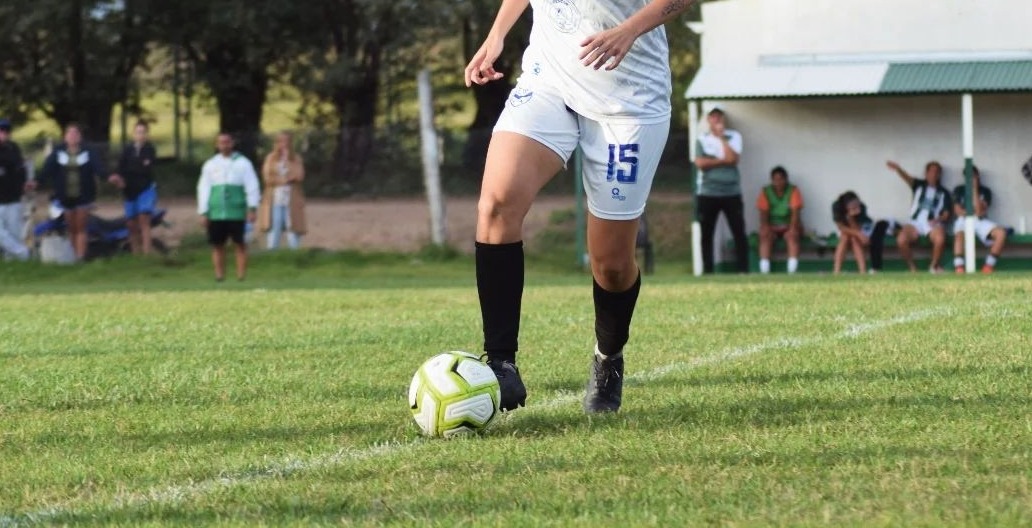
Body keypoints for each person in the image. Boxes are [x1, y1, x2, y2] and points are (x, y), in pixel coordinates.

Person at [464, 0, 692, 413]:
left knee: (611, 263)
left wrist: (628, 29)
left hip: (628, 102)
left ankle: (608, 357)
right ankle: (501, 363)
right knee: (496, 206)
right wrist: (497, 34)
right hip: (549, 82)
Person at [197, 133, 260, 281]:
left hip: (236, 211)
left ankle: (241, 275)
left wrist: (252, 207)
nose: (224, 145)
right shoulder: (210, 164)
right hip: (217, 211)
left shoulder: (243, 163)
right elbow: (204, 188)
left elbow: (252, 186)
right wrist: (203, 211)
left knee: (239, 243)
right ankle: (219, 275)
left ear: (232, 143)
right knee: (217, 244)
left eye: (227, 142)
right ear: (217, 145)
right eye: (221, 143)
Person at [695, 106, 748, 274]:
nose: (716, 120)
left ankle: (743, 269)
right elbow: (700, 164)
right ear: (708, 120)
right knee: (707, 234)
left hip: (732, 192)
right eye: (713, 117)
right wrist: (721, 160)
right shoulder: (702, 140)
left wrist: (722, 140)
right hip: (708, 193)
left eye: (719, 116)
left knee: (738, 231)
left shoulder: (734, 136)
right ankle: (708, 270)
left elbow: (733, 159)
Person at [41, 123, 105, 261]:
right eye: (69, 133)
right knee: (71, 228)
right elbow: (46, 170)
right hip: (66, 197)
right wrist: (35, 181)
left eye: (75, 133)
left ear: (80, 136)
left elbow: (99, 168)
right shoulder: (58, 152)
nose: (72, 136)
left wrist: (108, 176)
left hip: (84, 196)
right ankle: (73, 256)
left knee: (81, 227)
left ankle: (80, 257)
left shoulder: (88, 152)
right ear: (65, 137)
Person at [886, 160, 952, 273]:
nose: (933, 174)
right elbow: (906, 177)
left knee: (940, 238)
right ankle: (913, 268)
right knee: (901, 240)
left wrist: (938, 219)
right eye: (931, 171)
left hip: (933, 223)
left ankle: (933, 266)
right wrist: (898, 169)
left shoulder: (944, 192)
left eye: (936, 172)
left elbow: (946, 215)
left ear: (939, 175)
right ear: (926, 173)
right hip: (914, 222)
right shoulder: (918, 185)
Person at [108, 121, 158, 255]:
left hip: (145, 189)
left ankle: (147, 252)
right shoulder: (127, 150)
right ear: (133, 134)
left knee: (143, 219)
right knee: (131, 223)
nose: (140, 135)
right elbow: (121, 167)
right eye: (137, 132)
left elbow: (145, 169)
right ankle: (136, 252)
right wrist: (119, 179)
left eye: (143, 132)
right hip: (129, 190)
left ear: (147, 134)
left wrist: (131, 171)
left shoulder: (150, 150)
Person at [951, 166, 1006, 274]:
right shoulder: (959, 189)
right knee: (959, 235)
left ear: (978, 176)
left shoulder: (985, 191)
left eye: (973, 176)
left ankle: (988, 266)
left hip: (980, 220)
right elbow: (957, 211)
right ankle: (959, 267)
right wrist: (970, 212)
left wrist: (974, 189)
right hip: (963, 219)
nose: (971, 178)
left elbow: (980, 211)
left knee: (1001, 233)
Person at [258, 131, 306, 250]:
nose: (284, 144)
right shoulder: (271, 158)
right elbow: (268, 178)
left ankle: (294, 252)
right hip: (275, 198)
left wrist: (287, 161)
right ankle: (272, 251)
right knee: (275, 225)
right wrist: (285, 180)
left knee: (292, 226)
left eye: (287, 141)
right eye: (281, 141)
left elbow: (299, 175)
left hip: (291, 198)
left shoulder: (295, 158)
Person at [831, 191, 893, 274]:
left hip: (858, 228)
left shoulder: (862, 207)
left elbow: (858, 229)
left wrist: (851, 219)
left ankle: (862, 270)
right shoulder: (837, 206)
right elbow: (841, 227)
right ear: (846, 206)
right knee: (845, 238)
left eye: (857, 205)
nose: (856, 207)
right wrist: (858, 233)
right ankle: (836, 271)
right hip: (844, 229)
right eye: (853, 206)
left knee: (854, 239)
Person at [755, 166, 803, 274]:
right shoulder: (766, 191)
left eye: (781, 179)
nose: (778, 182)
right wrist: (766, 228)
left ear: (786, 179)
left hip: (788, 225)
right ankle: (764, 271)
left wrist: (792, 228)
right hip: (772, 225)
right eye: (775, 180)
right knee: (764, 237)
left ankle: (792, 271)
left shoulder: (793, 190)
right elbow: (763, 213)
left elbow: (796, 213)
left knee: (792, 236)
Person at [0, 118, 33, 261]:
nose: (4, 134)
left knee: (13, 232)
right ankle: (23, 253)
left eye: (7, 131)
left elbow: (19, 167)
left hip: (13, 197)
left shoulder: (13, 148)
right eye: (2, 131)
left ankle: (13, 264)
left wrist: (24, 183)